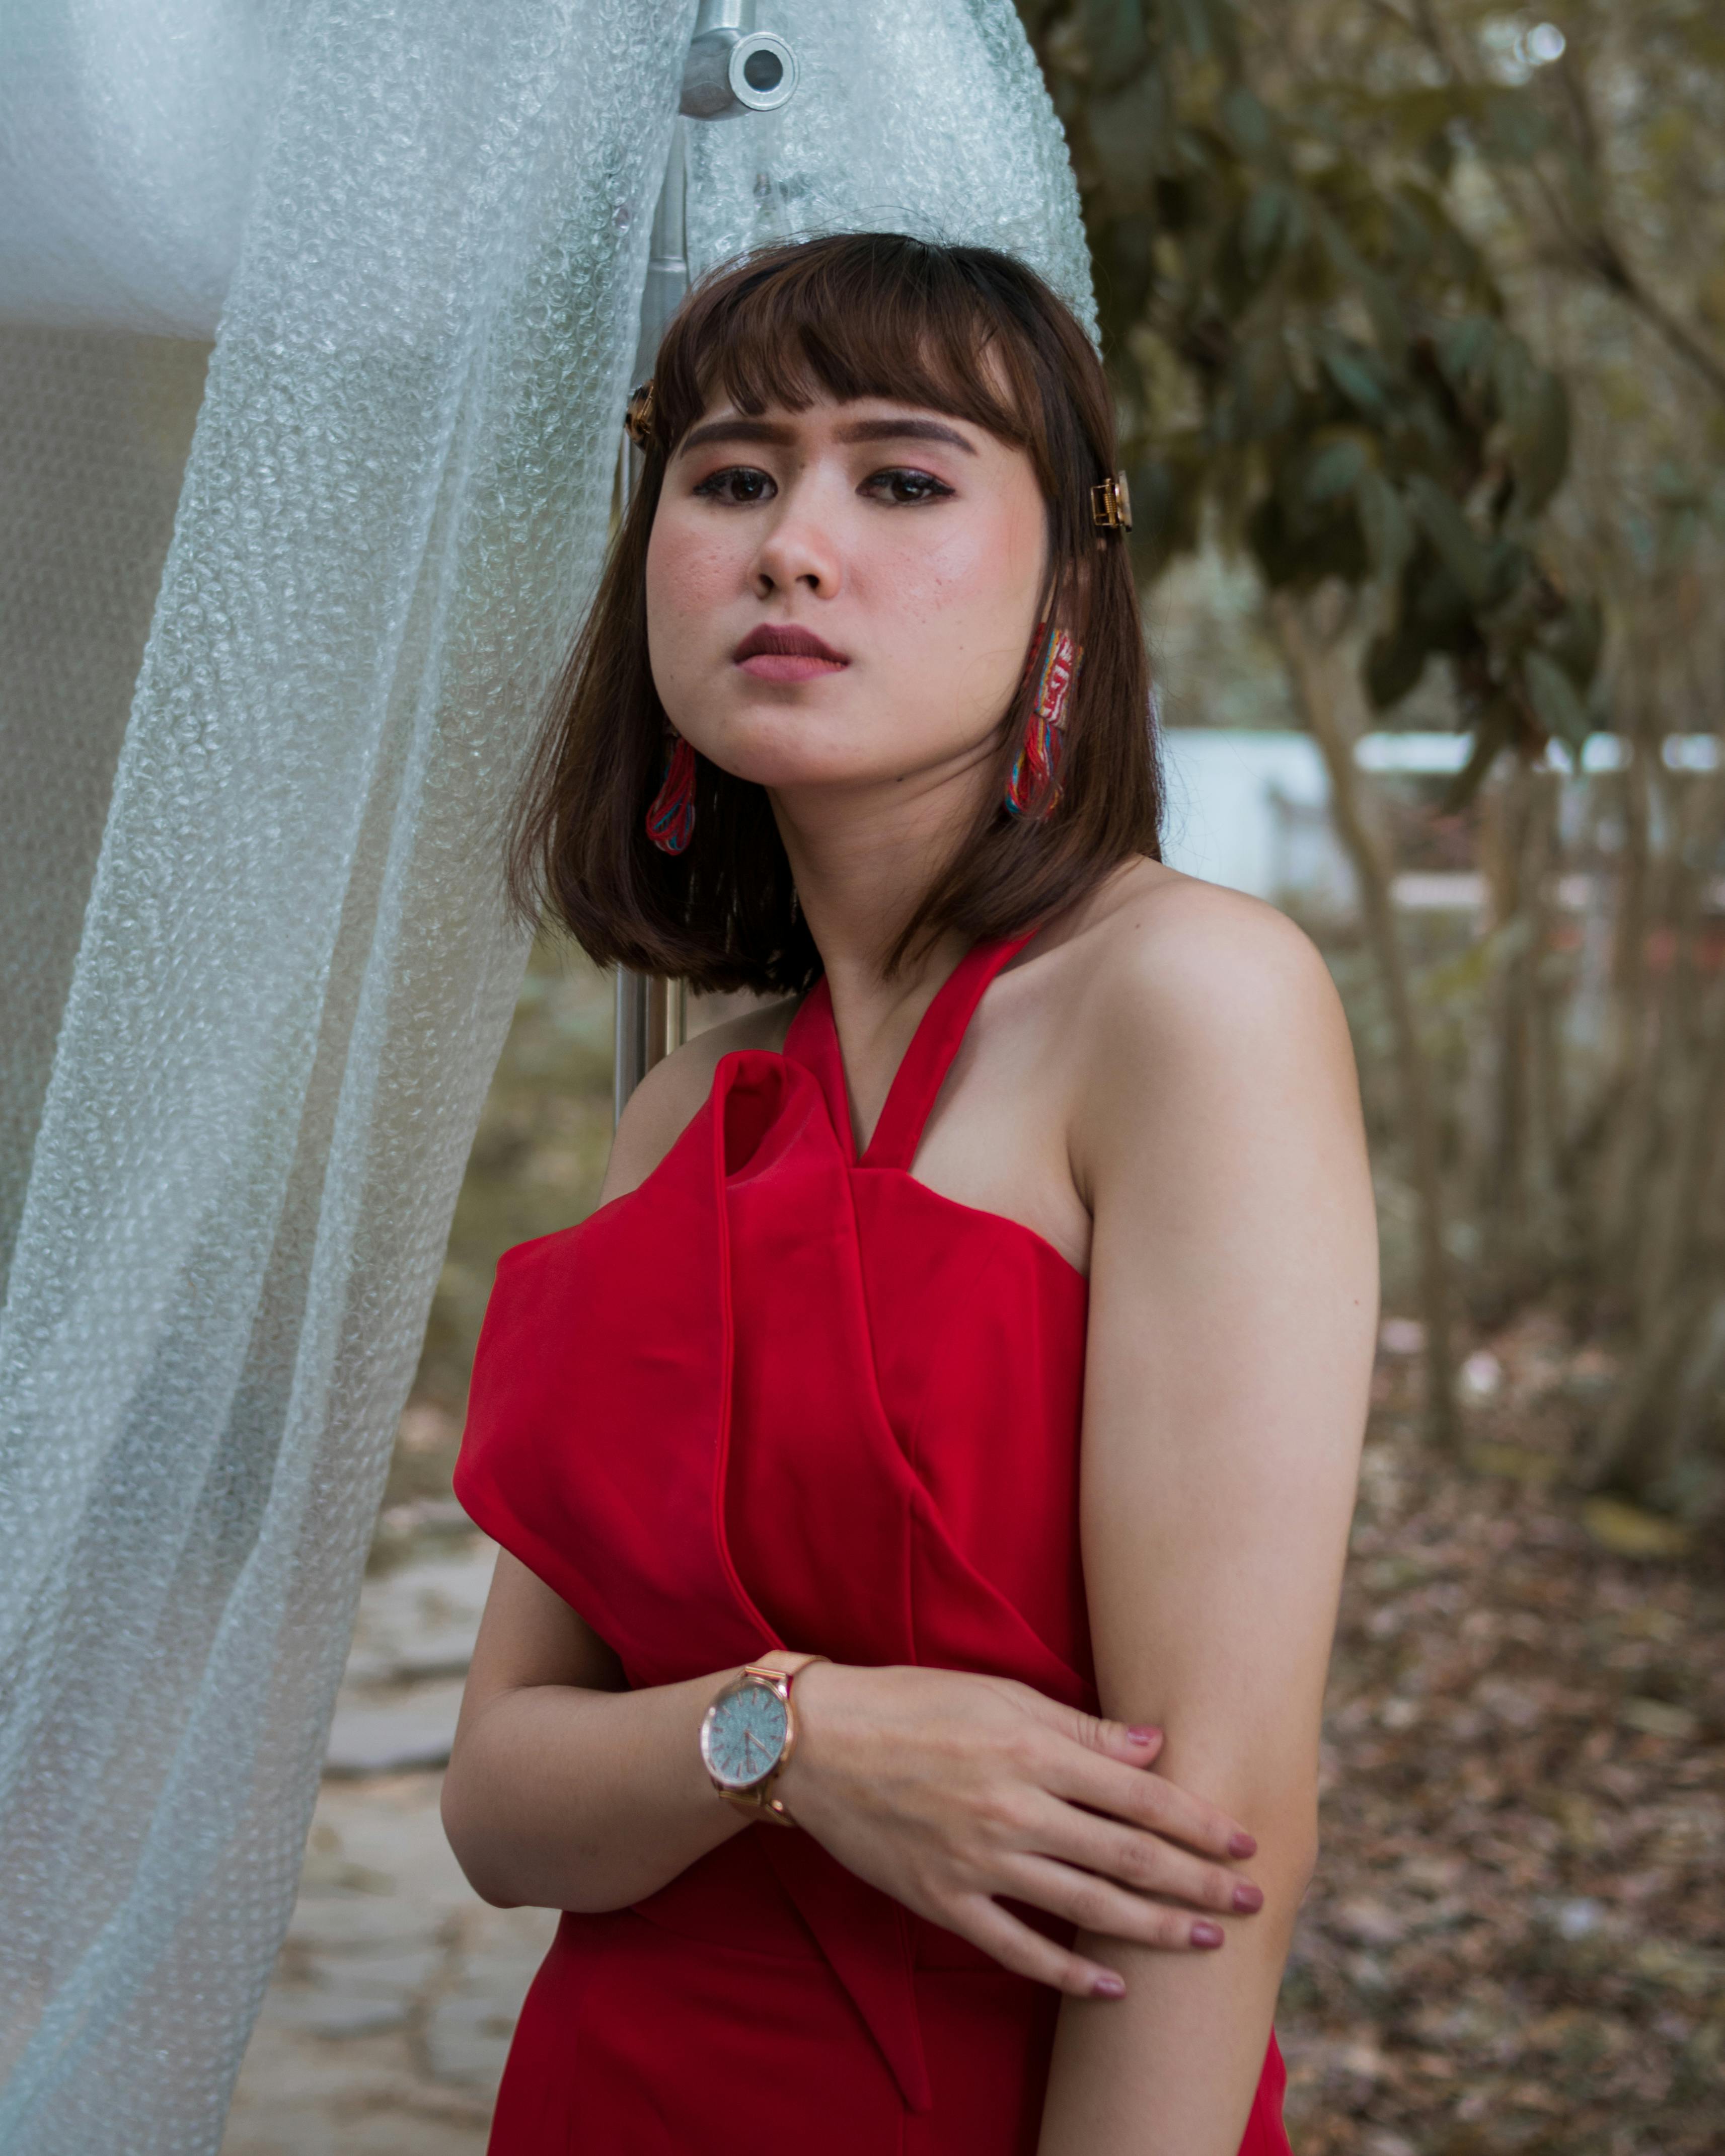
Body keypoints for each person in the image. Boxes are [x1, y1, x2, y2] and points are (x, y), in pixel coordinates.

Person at [443, 232, 1377, 2155]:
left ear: (1066, 601)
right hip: (615, 2096)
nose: (792, 542)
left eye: (902, 476)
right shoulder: (690, 1108)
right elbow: (498, 1802)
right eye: (729, 478)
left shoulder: (1189, 1002)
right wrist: (800, 1738)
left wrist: (718, 1738)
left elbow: (1214, 1849)